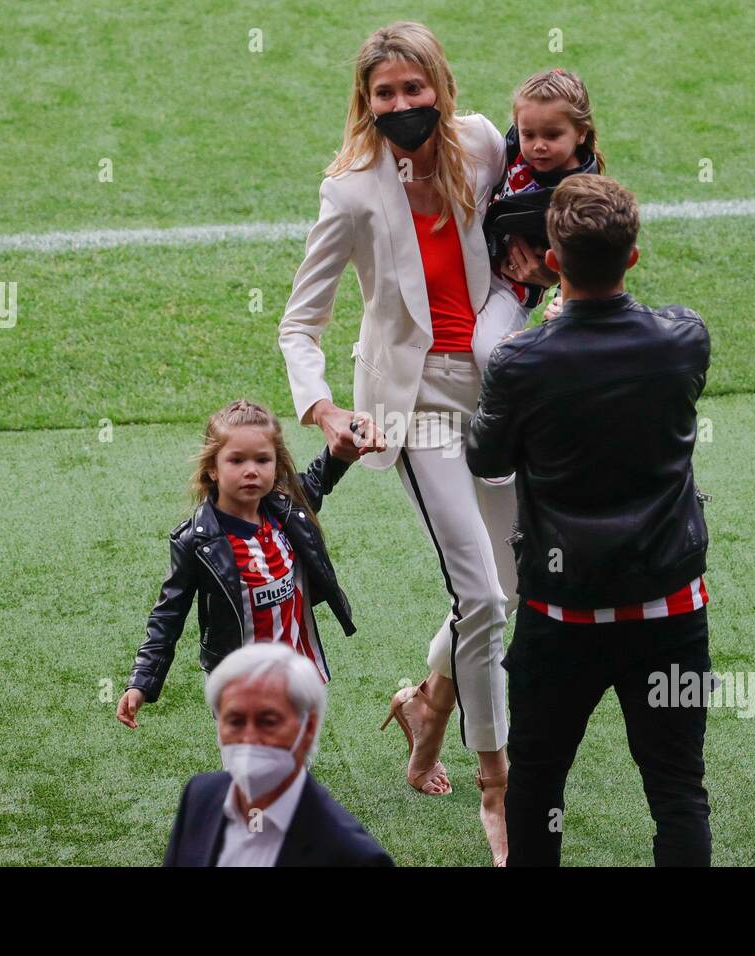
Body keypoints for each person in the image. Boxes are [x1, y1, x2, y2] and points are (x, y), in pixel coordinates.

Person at [277, 21, 550, 866]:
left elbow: (550, 186)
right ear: (366, 102)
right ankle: (498, 788)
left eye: (414, 88)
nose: (402, 105)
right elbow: (301, 322)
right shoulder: (352, 191)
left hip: (493, 397)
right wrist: (323, 412)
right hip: (414, 408)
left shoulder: (478, 148)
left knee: (507, 582)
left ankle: (424, 705)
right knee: (487, 600)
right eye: (384, 94)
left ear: (441, 86)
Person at [467, 174, 714, 866]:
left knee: (538, 786)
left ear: (551, 261)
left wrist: (540, 334)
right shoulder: (684, 340)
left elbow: (486, 456)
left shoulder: (521, 359)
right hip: (669, 611)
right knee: (677, 792)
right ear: (632, 257)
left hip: (562, 617)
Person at [117, 398, 382, 729]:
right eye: (236, 460)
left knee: (295, 750)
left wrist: (346, 446)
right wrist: (142, 681)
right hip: (239, 682)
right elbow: (167, 615)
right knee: (252, 763)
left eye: (262, 459)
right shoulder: (198, 541)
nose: (251, 470)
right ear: (212, 468)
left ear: (277, 464)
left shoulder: (285, 508)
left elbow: (317, 480)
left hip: (296, 668)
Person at [163, 642, 393, 867]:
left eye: (268, 721)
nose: (249, 738)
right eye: (235, 721)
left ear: (309, 728)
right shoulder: (199, 795)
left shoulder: (354, 857)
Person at [471, 67, 605, 370]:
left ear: (581, 132)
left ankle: (539, 367)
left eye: (553, 135)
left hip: (512, 286)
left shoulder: (582, 196)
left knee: (488, 352)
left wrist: (564, 298)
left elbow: (590, 260)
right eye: (528, 134)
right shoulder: (515, 148)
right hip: (474, 263)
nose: (538, 145)